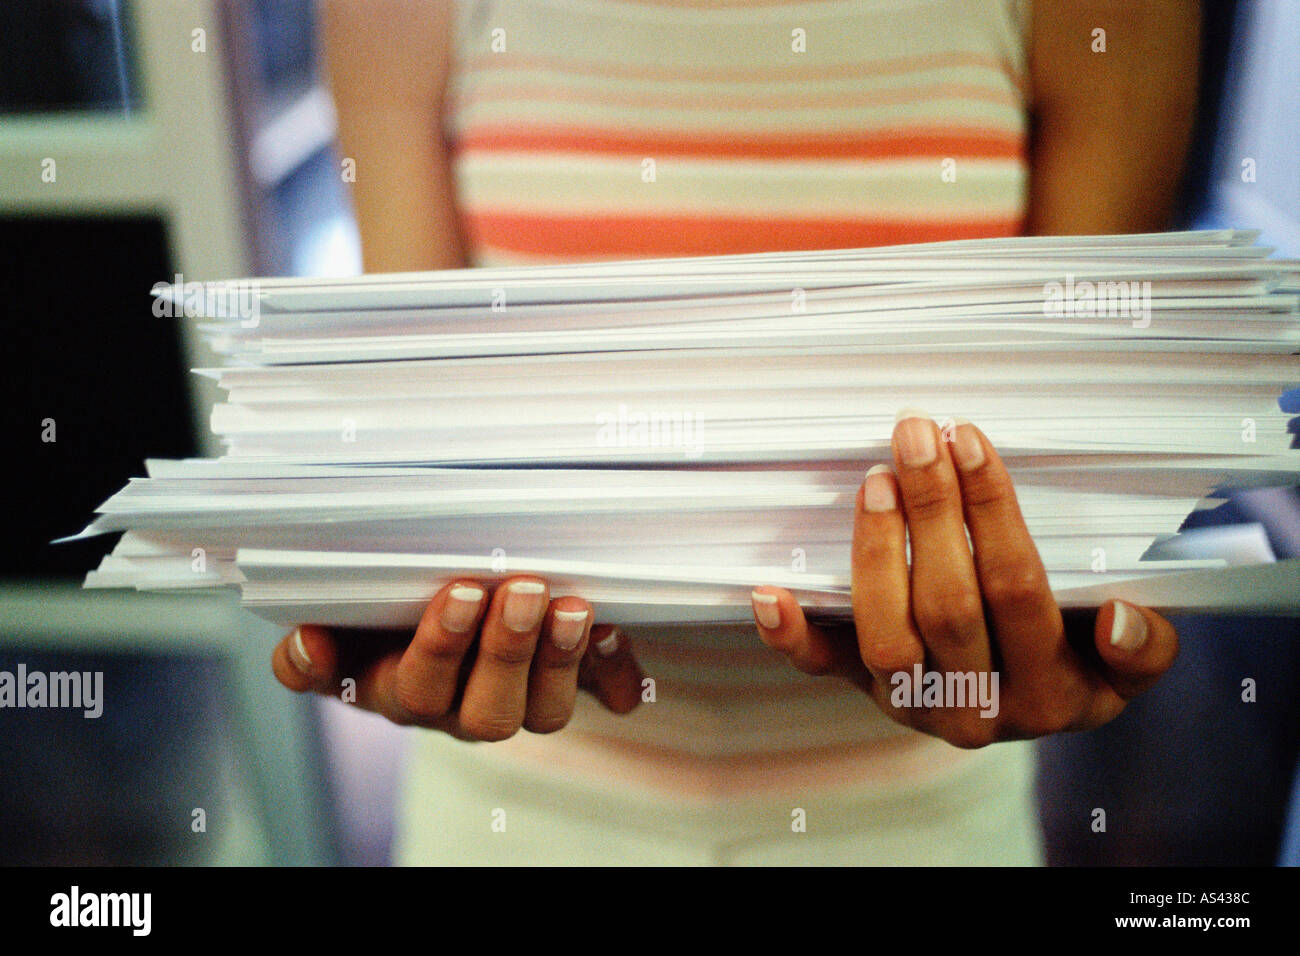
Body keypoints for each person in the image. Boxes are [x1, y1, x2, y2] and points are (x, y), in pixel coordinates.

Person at [271, 0, 1199, 864]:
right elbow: (426, 434)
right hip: (514, 810)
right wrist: (395, 615)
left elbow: (1071, 470)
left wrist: (1052, 627)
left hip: (925, 818)